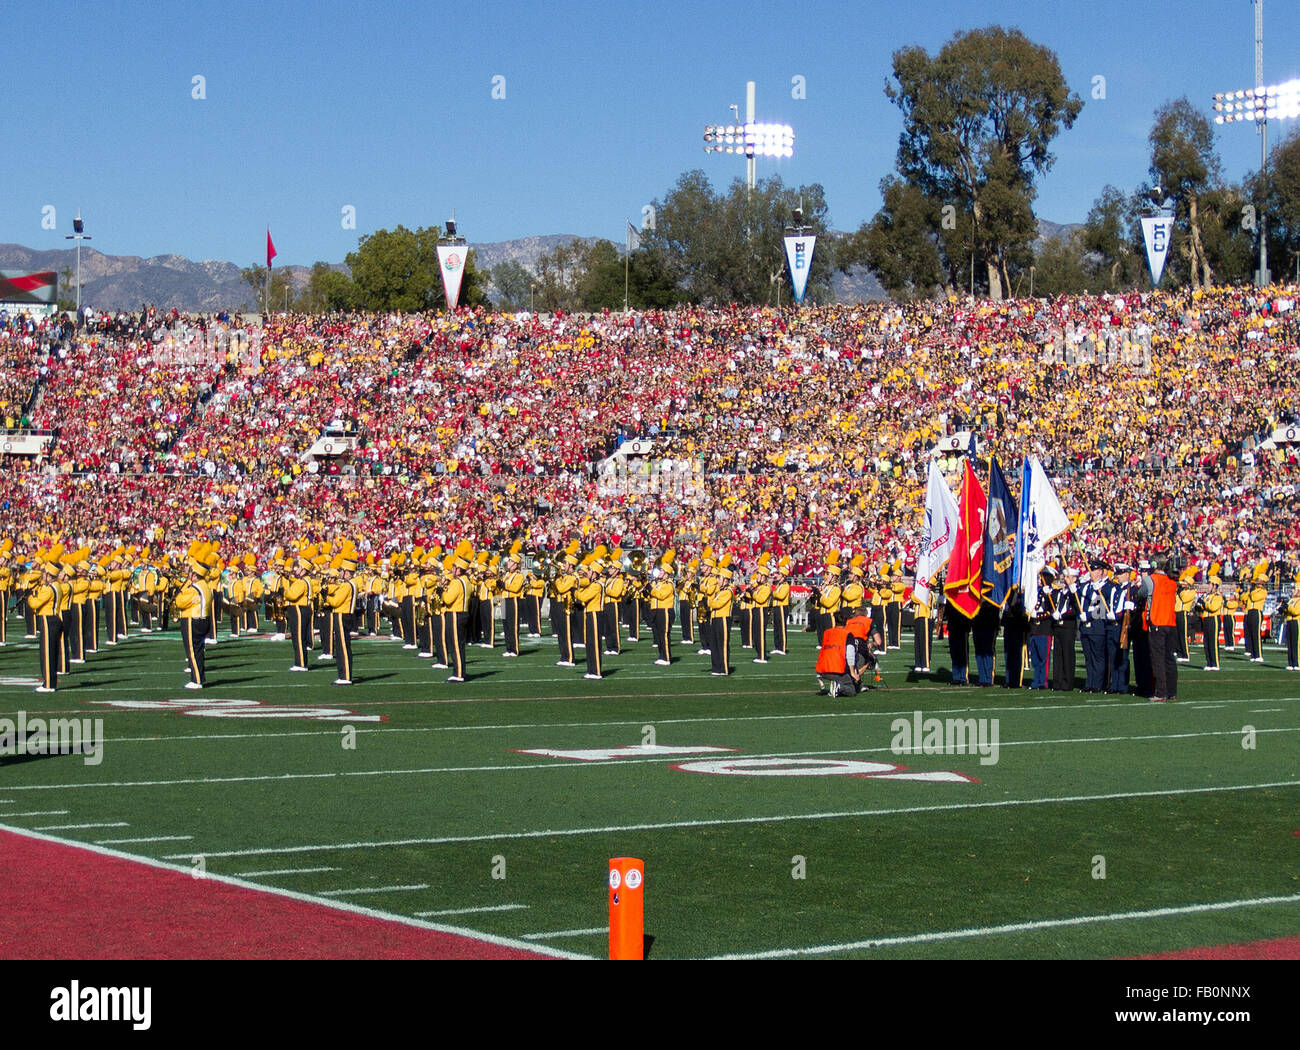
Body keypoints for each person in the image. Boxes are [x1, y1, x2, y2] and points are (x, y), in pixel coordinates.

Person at [1140, 555, 1179, 702]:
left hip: (1157, 621)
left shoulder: (1151, 580)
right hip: (1171, 622)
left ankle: (1161, 692)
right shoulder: (1172, 581)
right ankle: (1172, 692)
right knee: (1170, 658)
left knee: (1158, 659)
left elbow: (1141, 593)